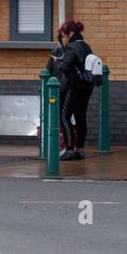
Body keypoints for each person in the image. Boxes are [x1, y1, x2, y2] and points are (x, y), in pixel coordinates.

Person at [52, 20, 95, 161]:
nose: (63, 40)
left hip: (72, 87)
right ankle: (80, 150)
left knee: (64, 116)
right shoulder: (86, 46)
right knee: (80, 117)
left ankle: (70, 149)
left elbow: (65, 67)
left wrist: (58, 61)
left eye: (63, 36)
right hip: (86, 86)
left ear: (70, 34)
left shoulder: (72, 47)